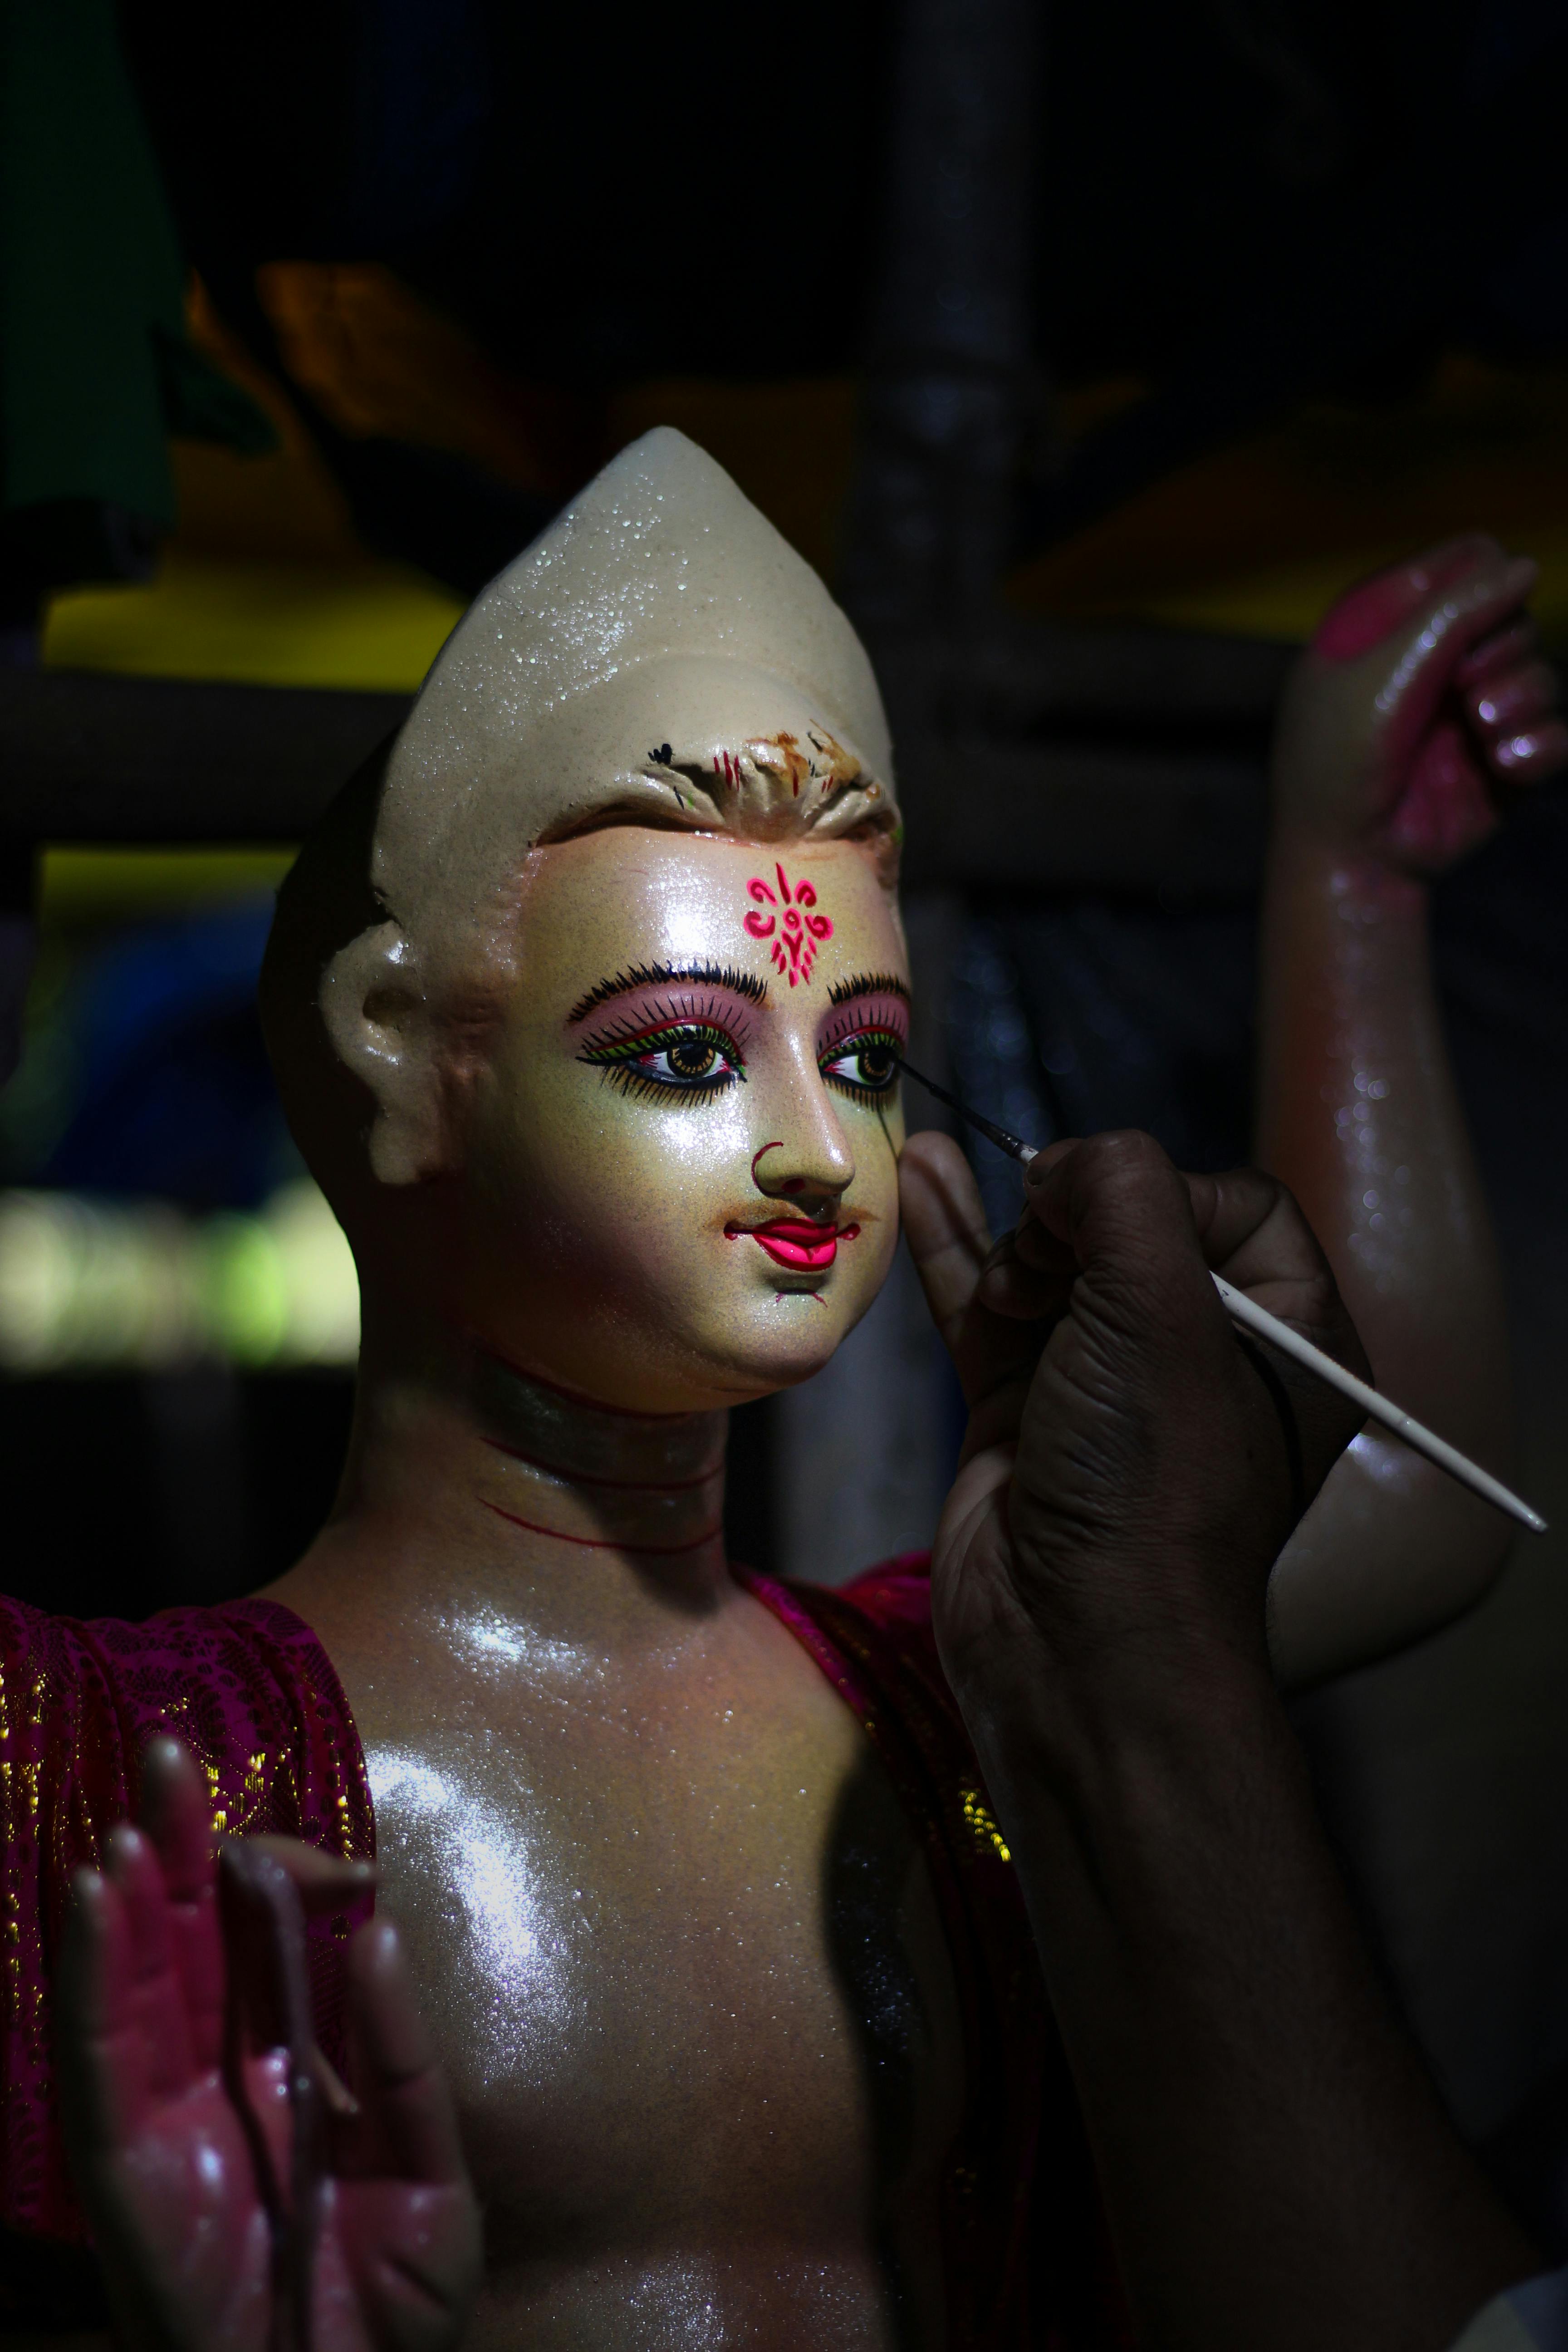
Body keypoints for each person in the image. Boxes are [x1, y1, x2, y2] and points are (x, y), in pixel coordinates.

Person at [3, 433, 1560, 2347]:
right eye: (682, 1058)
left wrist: (1351, 886)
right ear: (405, 1053)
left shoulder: (958, 1698)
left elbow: (1388, 1492)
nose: (821, 1151)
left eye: (876, 1056)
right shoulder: (123, 1780)